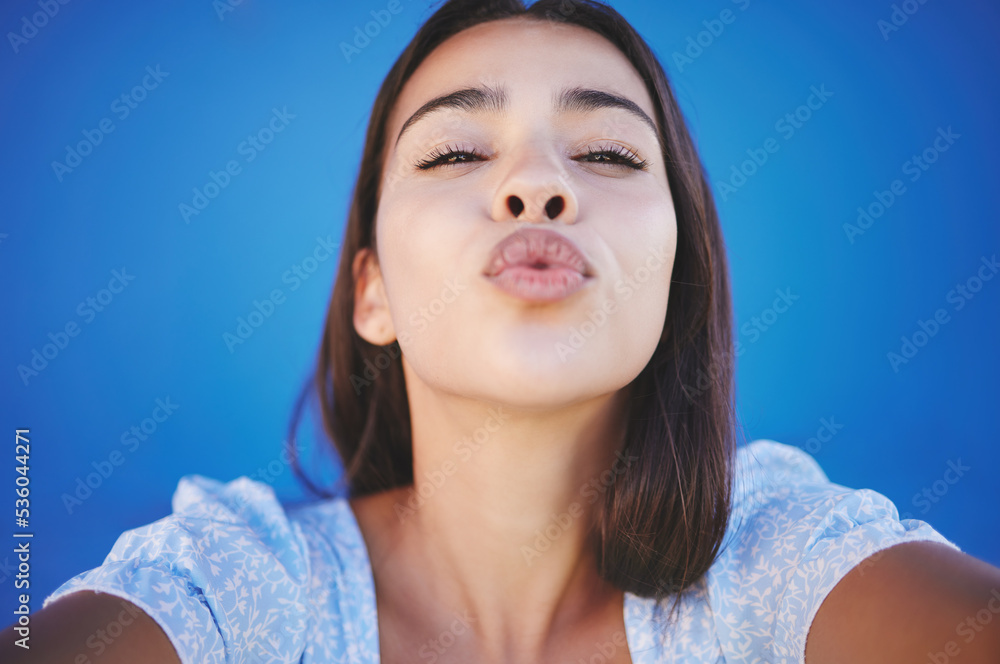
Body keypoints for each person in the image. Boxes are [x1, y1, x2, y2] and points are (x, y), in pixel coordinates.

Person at [5, 1, 1000, 662]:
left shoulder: (779, 553)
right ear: (372, 294)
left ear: (674, 277)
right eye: (454, 153)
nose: (538, 183)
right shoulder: (234, 584)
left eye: (608, 149)